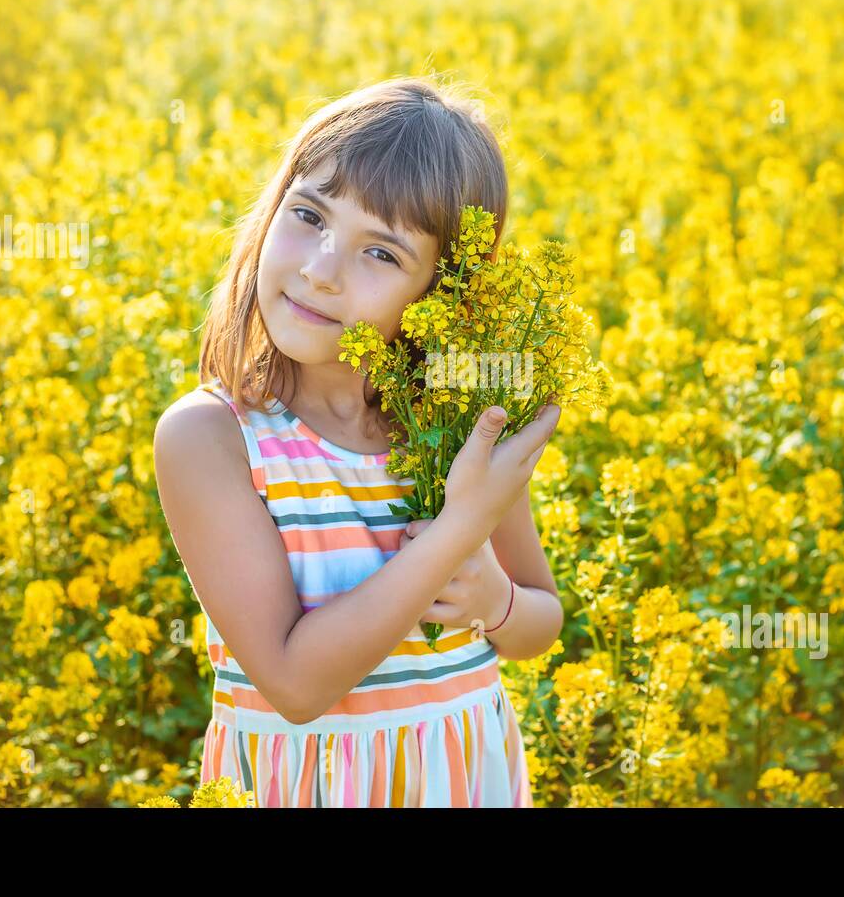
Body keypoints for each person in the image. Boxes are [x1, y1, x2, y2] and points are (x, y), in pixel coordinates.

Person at [153, 76, 563, 806]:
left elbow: (539, 621)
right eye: (309, 215)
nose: (319, 271)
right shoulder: (212, 438)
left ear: (445, 292)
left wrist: (493, 599)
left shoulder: (460, 428)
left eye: (382, 255)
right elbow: (296, 684)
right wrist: (460, 527)